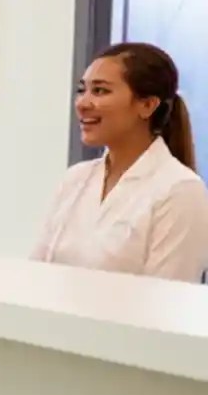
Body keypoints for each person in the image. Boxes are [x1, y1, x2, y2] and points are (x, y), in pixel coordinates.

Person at [32, 42, 208, 281]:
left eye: (100, 91)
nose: (83, 104)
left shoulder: (180, 190)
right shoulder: (75, 179)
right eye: (82, 90)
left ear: (147, 105)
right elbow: (35, 275)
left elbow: (167, 303)